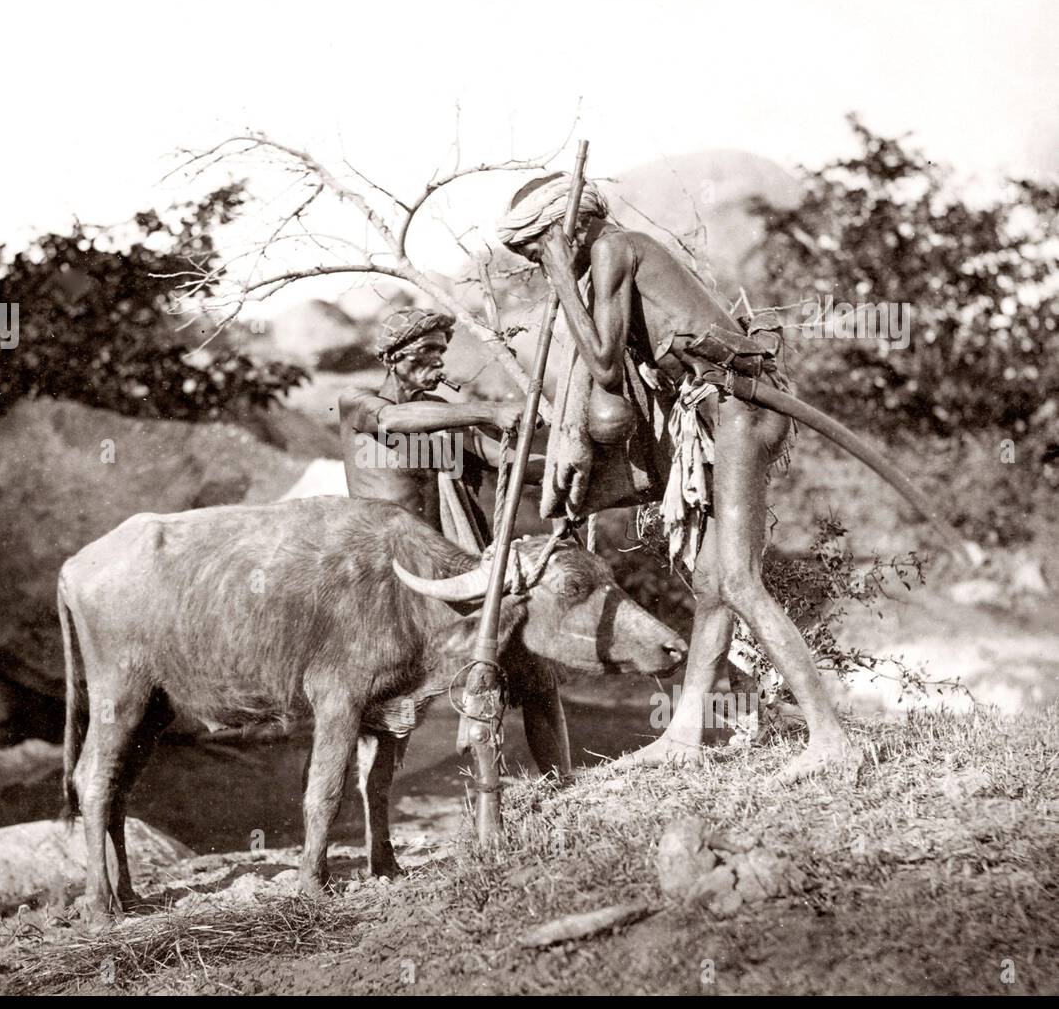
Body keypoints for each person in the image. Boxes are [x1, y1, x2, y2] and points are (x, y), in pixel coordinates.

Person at [498, 173, 851, 781]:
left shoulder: (614, 248)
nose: (537, 262)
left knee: (737, 581)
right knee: (713, 585)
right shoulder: (609, 258)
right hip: (717, 414)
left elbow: (605, 366)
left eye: (538, 248)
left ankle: (830, 735)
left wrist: (559, 272)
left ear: (568, 227)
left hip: (742, 407)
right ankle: (684, 734)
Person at [339, 307, 542, 550]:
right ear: (392, 357)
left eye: (441, 351)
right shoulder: (356, 401)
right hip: (380, 552)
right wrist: (492, 411)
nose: (438, 361)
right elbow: (390, 420)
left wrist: (565, 467)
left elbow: (507, 459)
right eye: (427, 349)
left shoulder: (441, 414)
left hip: (439, 554)